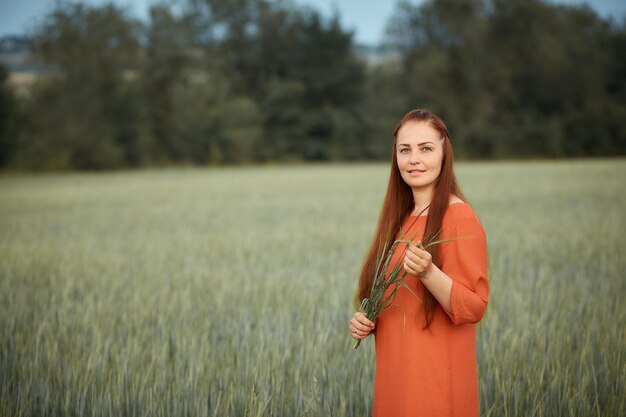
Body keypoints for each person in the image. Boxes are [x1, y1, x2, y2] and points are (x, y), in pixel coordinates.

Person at [349, 109, 489, 417]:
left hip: (434, 385)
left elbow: (474, 306)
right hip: (395, 379)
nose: (414, 159)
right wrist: (366, 320)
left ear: (444, 154)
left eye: (426, 148)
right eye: (405, 149)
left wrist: (428, 272)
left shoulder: (459, 217)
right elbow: (393, 300)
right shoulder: (401, 218)